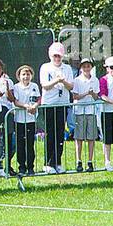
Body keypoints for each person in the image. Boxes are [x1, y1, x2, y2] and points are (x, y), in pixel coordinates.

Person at [38, 41, 74, 172]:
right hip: (49, 104)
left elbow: (71, 86)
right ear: (50, 56)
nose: (57, 59)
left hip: (62, 104)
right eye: (55, 56)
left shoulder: (67, 68)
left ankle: (57, 161)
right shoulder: (45, 67)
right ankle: (48, 162)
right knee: (50, 133)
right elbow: (45, 85)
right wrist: (56, 80)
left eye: (59, 56)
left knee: (60, 134)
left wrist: (63, 80)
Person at [10, 64, 41, 176]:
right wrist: (26, 106)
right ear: (19, 76)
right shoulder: (16, 87)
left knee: (30, 144)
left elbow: (38, 99)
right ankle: (22, 166)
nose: (26, 76)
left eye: (28, 74)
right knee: (20, 144)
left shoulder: (34, 86)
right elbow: (16, 101)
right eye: (23, 74)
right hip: (19, 120)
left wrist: (35, 106)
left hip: (31, 120)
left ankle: (30, 167)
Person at [70, 55, 100, 171]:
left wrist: (92, 94)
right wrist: (86, 93)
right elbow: (75, 96)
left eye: (88, 66)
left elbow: (97, 96)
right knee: (79, 137)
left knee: (91, 137)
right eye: (84, 66)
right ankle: (79, 161)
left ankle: (90, 161)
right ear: (81, 68)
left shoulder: (95, 80)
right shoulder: (77, 80)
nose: (86, 68)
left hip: (91, 111)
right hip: (79, 111)